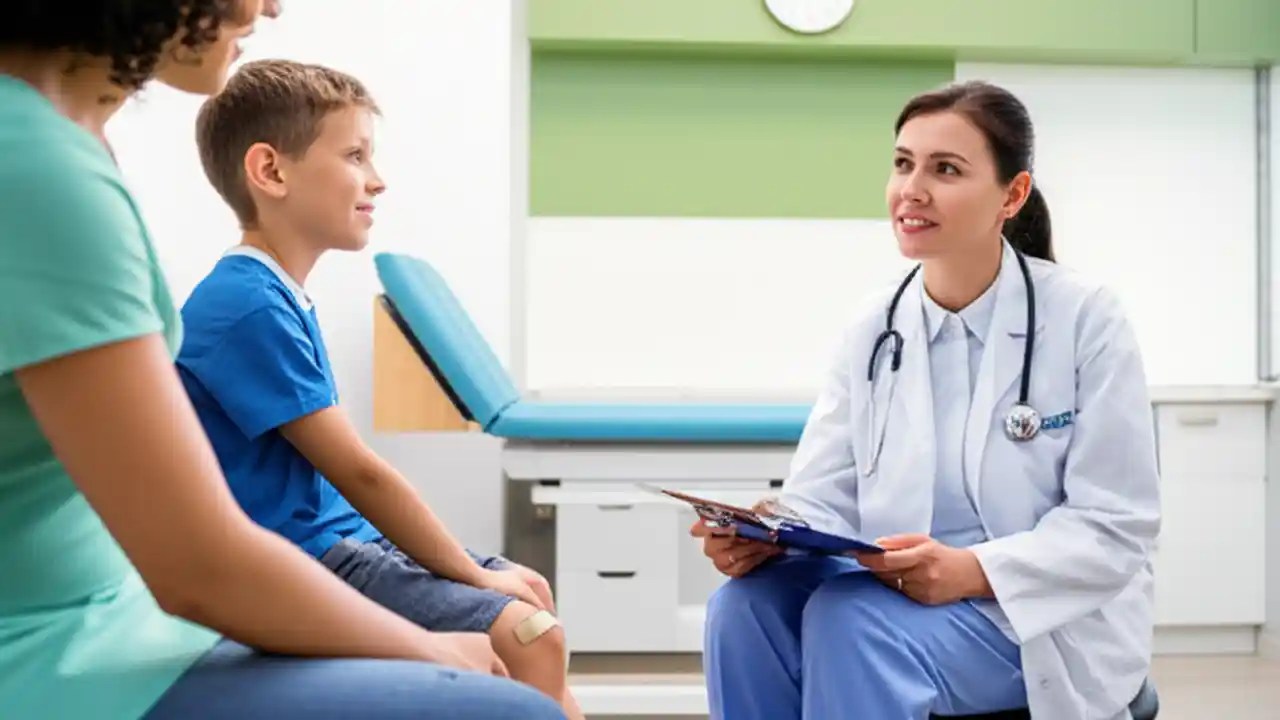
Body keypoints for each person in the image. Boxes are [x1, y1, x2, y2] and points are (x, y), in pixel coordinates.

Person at [0, 2, 565, 719]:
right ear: (269, 170)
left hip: (121, 620)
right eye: (356, 156)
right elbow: (199, 565)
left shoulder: (61, 149)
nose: (271, 5)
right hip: (58, 657)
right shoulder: (40, 170)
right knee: (509, 705)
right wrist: (426, 646)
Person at [694, 80, 1160, 720]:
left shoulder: (1084, 318)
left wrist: (972, 570)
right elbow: (823, 491)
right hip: (895, 592)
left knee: (851, 620)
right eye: (903, 163)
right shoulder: (874, 323)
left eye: (945, 169)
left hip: (1033, 617)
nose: (912, 188)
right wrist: (767, 532)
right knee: (744, 608)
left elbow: (1117, 526)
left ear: (1012, 195)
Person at [175, 58, 584, 720]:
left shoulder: (277, 297)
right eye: (355, 155)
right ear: (271, 171)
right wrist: (475, 575)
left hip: (341, 540)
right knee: (531, 634)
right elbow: (361, 474)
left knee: (533, 597)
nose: (378, 179)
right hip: (304, 559)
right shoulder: (245, 305)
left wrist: (476, 571)